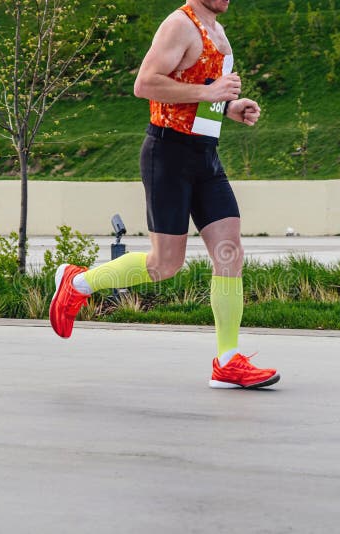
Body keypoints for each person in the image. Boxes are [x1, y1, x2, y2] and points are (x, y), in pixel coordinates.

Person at [49, 0, 280, 389]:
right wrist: (211, 96)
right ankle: (78, 283)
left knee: (229, 250)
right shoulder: (179, 24)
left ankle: (226, 361)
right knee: (164, 265)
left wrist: (229, 107)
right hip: (169, 155)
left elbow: (202, 92)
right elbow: (145, 84)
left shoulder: (216, 30)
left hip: (205, 155)